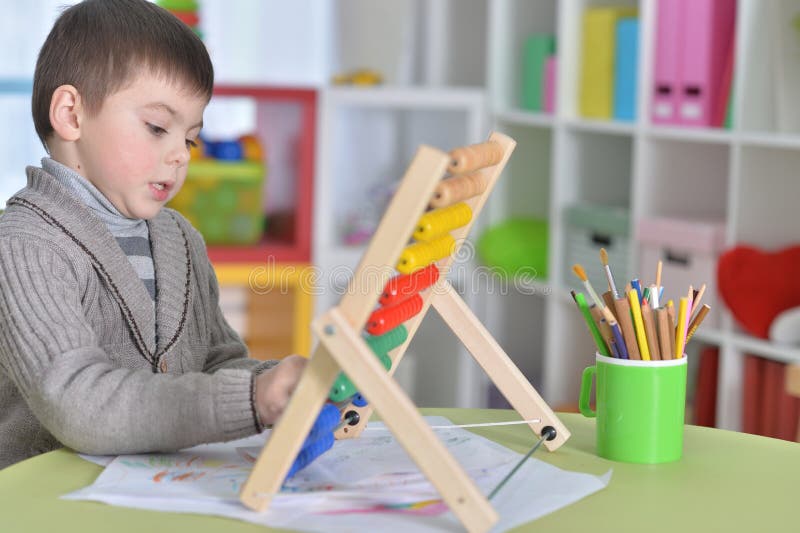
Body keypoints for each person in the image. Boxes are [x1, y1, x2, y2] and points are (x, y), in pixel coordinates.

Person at [0, 0, 307, 470]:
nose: (181, 156)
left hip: (149, 493)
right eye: (157, 127)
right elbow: (77, 401)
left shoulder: (181, 240)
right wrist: (250, 397)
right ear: (71, 115)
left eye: (188, 138)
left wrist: (282, 384)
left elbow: (217, 365)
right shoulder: (25, 244)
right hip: (45, 503)